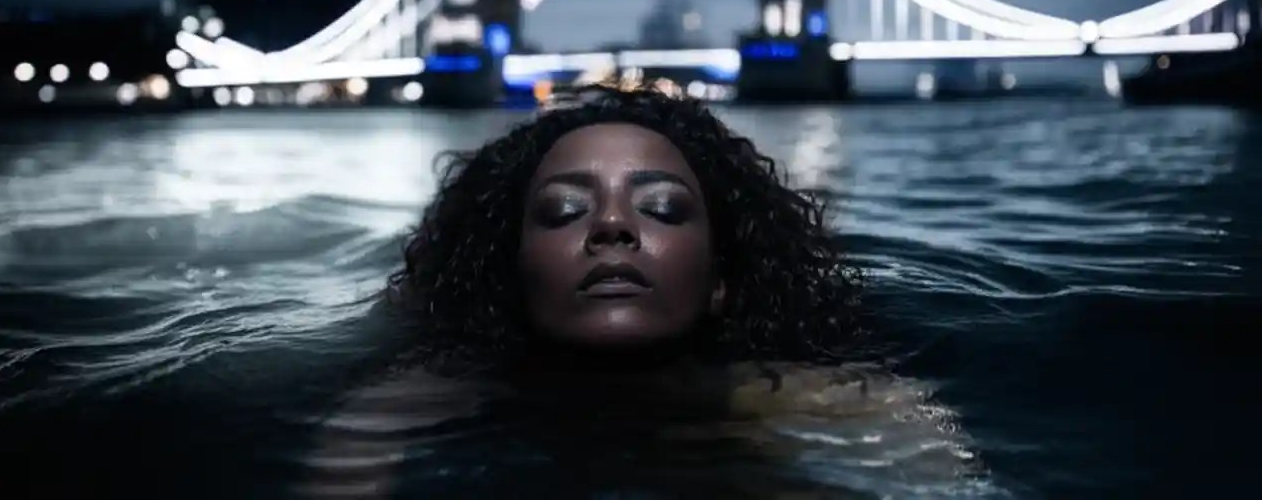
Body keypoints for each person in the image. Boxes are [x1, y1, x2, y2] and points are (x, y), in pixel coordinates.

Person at [302, 83, 980, 497]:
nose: (613, 226)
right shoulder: (386, 416)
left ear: (720, 281)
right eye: (565, 212)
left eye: (662, 208)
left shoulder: (864, 411)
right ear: (510, 275)